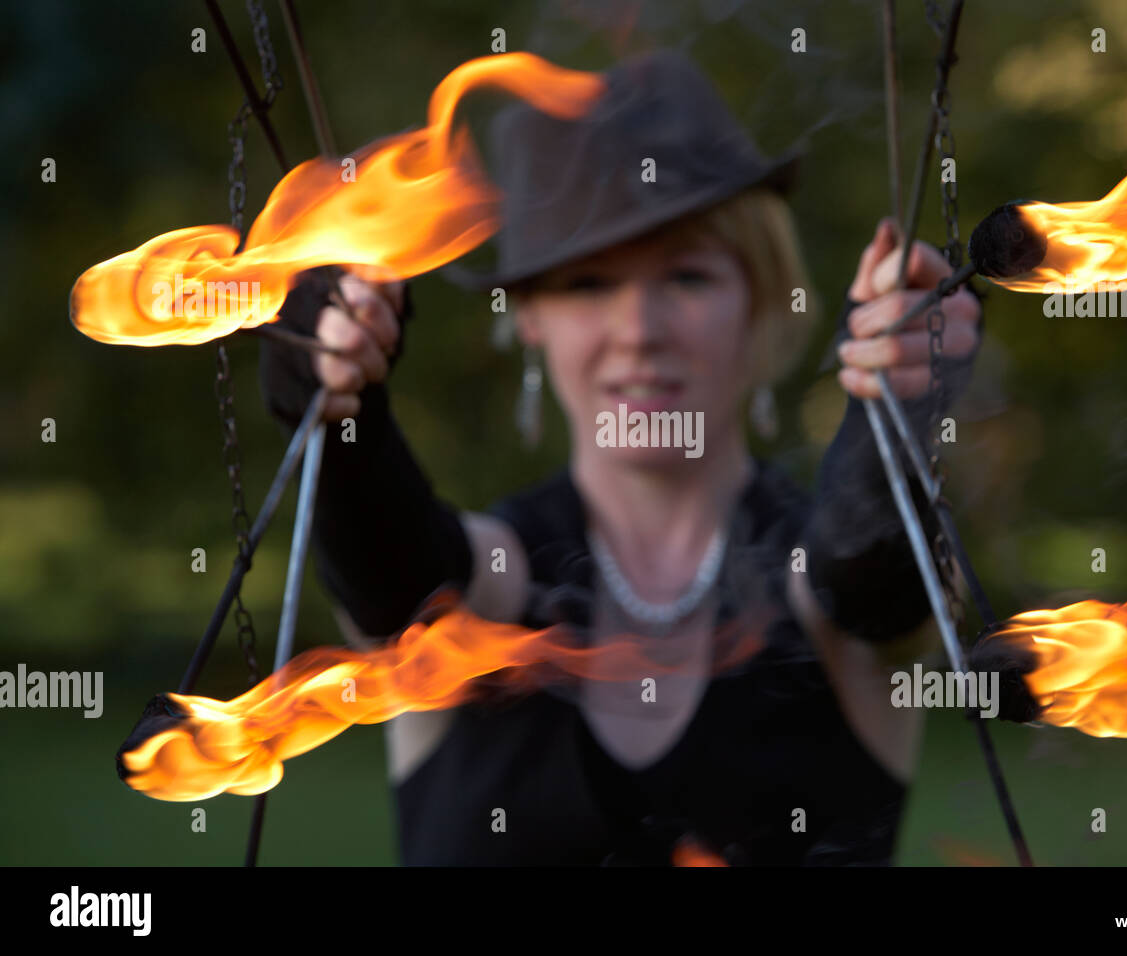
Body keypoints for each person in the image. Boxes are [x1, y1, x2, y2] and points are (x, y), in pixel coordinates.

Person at [259, 49, 982, 865]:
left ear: (760, 295)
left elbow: (868, 579)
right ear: (529, 316)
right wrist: (334, 402)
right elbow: (390, 571)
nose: (639, 329)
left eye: (688, 276)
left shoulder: (820, 583)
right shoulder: (497, 581)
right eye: (588, 284)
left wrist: (892, 412)